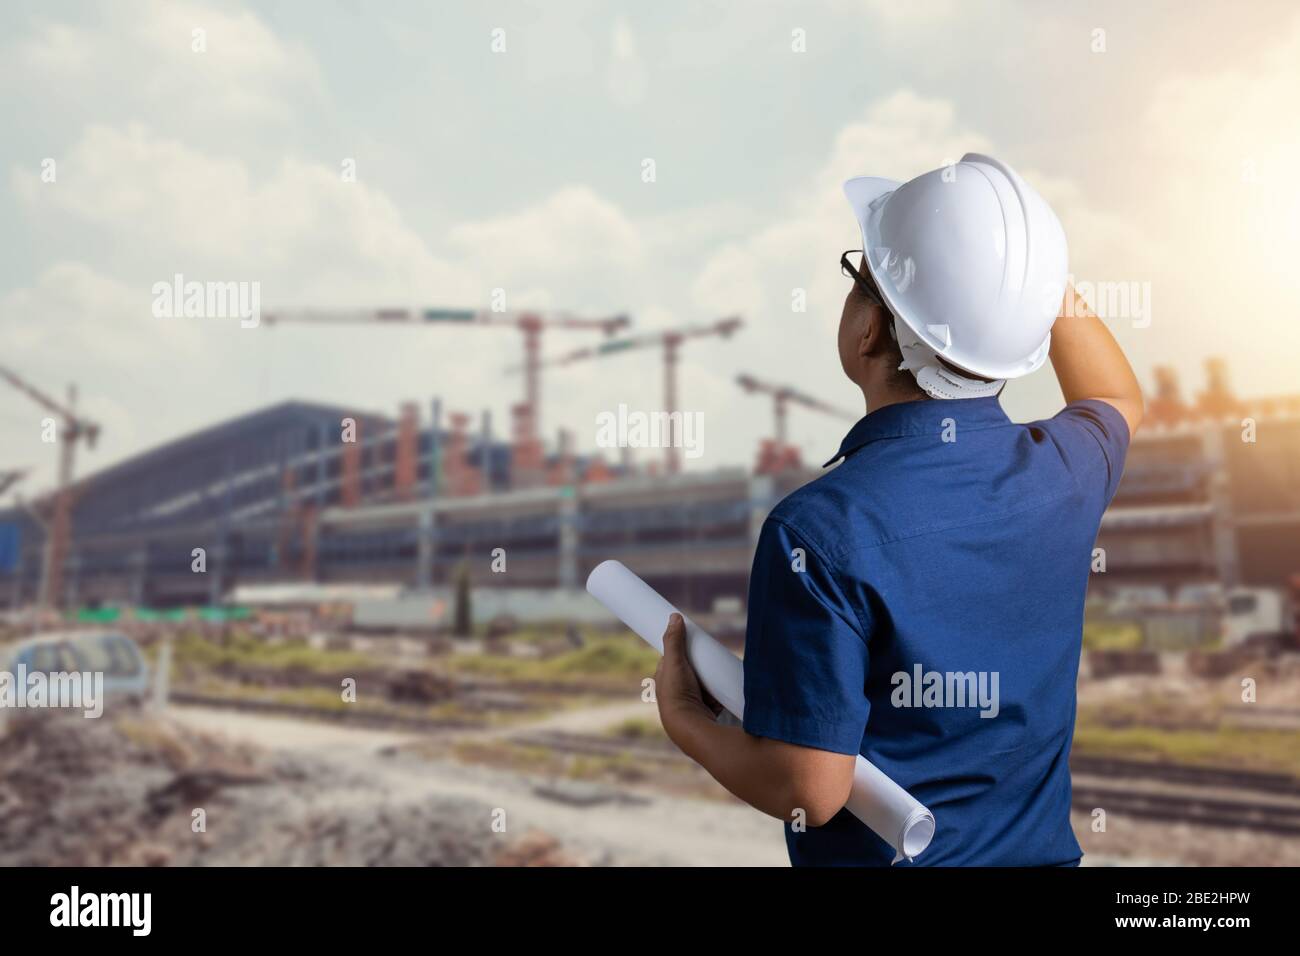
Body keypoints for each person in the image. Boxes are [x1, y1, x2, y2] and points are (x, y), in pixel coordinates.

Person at [652, 154, 1143, 866]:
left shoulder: (818, 531)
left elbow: (810, 788)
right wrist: (1014, 275)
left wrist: (687, 720)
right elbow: (1118, 398)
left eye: (859, 279)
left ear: (870, 333)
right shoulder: (1064, 472)